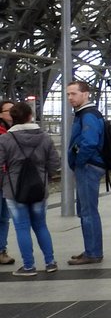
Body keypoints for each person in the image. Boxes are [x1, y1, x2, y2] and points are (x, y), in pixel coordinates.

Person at [0, 101, 60, 275]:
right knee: (41, 225)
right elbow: (55, 163)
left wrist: (4, 181)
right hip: (39, 190)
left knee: (21, 227)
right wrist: (45, 176)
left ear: (12, 118)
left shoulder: (4, 139)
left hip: (13, 191)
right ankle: (50, 262)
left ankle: (29, 266)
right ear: (30, 116)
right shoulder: (44, 137)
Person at [66, 79, 106, 265]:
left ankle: (94, 253)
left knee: (88, 211)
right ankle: (91, 249)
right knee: (84, 211)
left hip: (89, 166)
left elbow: (89, 142)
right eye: (68, 94)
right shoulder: (84, 114)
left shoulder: (88, 115)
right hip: (88, 165)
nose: (70, 97)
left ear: (85, 94)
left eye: (73, 93)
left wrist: (79, 162)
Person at [0, 100, 13, 266]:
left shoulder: (13, 131)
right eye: (8, 110)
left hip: (7, 181)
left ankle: (1, 250)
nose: (12, 113)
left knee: (4, 218)